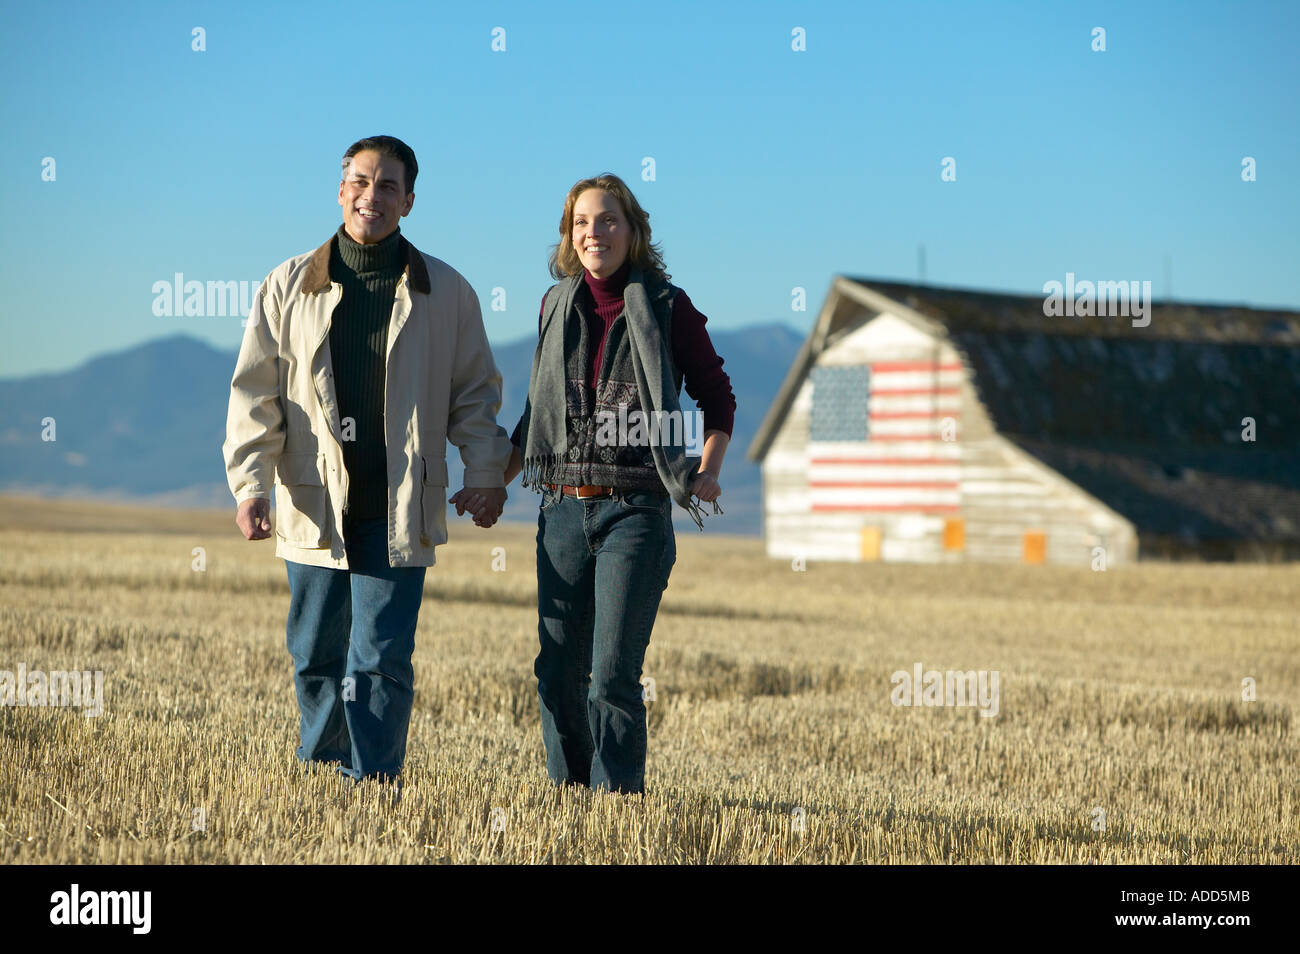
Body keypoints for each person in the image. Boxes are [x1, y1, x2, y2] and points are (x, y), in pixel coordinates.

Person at [223, 135, 511, 784]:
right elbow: (254, 394)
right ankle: (321, 775)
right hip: (312, 498)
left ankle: (373, 785)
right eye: (359, 181)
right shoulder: (288, 284)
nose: (370, 196)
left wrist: (485, 473)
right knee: (315, 655)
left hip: (398, 506)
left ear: (408, 201)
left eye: (386, 186)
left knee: (380, 658)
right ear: (339, 190)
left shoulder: (448, 291)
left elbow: (475, 395)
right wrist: (250, 485)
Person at [502, 173, 736, 795]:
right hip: (561, 511)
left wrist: (707, 470)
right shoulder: (555, 307)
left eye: (608, 220)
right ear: (568, 235)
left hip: (636, 509)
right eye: (581, 222)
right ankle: (570, 796)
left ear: (633, 231)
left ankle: (616, 807)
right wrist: (494, 482)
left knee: (610, 676)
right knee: (556, 672)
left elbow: (716, 396)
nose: (594, 232)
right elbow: (536, 418)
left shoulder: (665, 306)